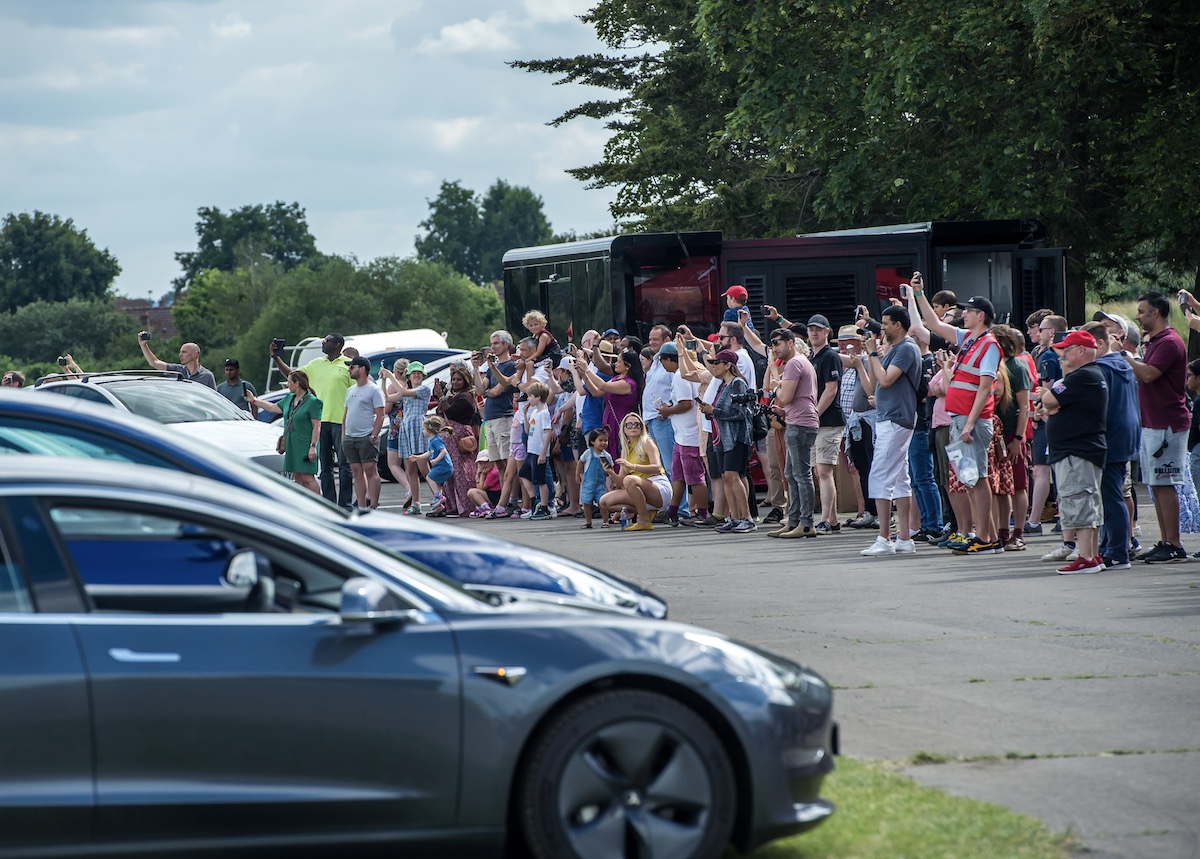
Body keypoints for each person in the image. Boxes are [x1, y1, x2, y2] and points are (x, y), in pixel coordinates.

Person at [913, 274, 1003, 554]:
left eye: (970, 311)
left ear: (982, 316)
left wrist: (970, 423)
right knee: (969, 477)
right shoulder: (969, 339)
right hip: (959, 418)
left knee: (977, 477)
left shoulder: (988, 344)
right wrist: (919, 294)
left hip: (970, 421)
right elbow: (935, 324)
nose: (964, 314)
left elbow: (986, 387)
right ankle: (981, 535)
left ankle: (986, 538)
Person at [1035, 331, 1108, 574]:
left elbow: (1049, 398)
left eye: (1068, 348)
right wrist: (1051, 407)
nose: (1063, 354)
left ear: (1082, 350)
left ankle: (1086, 556)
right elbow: (1051, 404)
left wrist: (1050, 405)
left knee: (1079, 500)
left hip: (1077, 451)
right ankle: (1093, 555)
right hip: (1081, 449)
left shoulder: (1083, 375)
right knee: (1087, 502)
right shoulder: (1089, 375)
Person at [1124, 291, 1190, 562]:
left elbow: (1149, 375)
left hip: (1167, 424)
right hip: (1154, 423)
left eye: (1141, 311)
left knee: (1166, 483)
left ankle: (1174, 543)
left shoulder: (1169, 342)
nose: (1137, 316)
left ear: (1156, 313)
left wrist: (1127, 357)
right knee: (1157, 485)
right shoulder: (1157, 342)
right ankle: (1165, 541)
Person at [858, 306, 922, 556]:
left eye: (885, 323)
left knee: (880, 475)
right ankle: (904, 537)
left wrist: (873, 351)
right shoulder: (895, 349)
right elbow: (875, 383)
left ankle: (884, 538)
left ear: (898, 324)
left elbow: (885, 380)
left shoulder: (906, 348)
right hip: (891, 417)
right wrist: (872, 355)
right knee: (899, 479)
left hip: (896, 419)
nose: (881, 327)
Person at [272, 333, 354, 508]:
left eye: (327, 341)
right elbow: (293, 375)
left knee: (345, 466)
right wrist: (276, 358)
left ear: (338, 344)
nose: (323, 344)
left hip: (340, 421)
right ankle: (330, 504)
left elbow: (356, 394)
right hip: (319, 421)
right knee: (325, 468)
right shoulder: (316, 364)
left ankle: (345, 504)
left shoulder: (347, 365)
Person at [1088, 321, 1140, 570]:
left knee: (1111, 495)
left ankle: (1118, 551)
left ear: (1098, 343)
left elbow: (1097, 406)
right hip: (1126, 433)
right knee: (1113, 492)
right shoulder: (1122, 363)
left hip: (1111, 435)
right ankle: (1112, 545)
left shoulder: (1101, 368)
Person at [767, 328, 819, 538]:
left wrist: (775, 386)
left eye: (777, 343)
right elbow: (795, 398)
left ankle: (806, 523)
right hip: (798, 420)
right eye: (772, 344)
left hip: (801, 424)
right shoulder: (800, 362)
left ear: (790, 343)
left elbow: (785, 396)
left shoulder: (795, 363)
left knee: (801, 474)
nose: (774, 348)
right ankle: (794, 520)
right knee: (791, 473)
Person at [698, 349, 755, 532]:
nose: (714, 366)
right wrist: (709, 411)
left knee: (732, 475)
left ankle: (747, 518)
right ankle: (735, 518)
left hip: (736, 438)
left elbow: (741, 414)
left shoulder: (738, 384)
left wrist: (713, 411)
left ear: (728, 365)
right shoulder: (723, 386)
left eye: (717, 363)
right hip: (721, 438)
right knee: (726, 477)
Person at [656, 342, 707, 527]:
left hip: (689, 435)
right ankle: (672, 511)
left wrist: (667, 411)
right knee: (678, 476)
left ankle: (702, 513)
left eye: (662, 361)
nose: (662, 365)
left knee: (694, 477)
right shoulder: (681, 374)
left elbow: (686, 403)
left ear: (669, 359)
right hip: (682, 435)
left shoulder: (680, 376)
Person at [248, 370, 321, 493]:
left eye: (289, 381)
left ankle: (318, 505)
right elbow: (273, 407)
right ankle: (302, 505)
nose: (287, 384)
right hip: (292, 443)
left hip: (305, 443)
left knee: (307, 477)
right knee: (297, 477)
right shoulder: (289, 398)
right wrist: (254, 400)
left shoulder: (313, 402)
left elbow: (317, 426)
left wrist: (313, 446)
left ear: (297, 383)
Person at [597, 411, 670, 531]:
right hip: (639, 489)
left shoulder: (647, 442)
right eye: (629, 425)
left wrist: (632, 466)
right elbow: (621, 483)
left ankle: (644, 520)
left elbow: (657, 468)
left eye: (637, 424)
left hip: (658, 487)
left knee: (630, 479)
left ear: (642, 427)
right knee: (604, 502)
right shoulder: (626, 450)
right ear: (624, 429)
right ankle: (647, 511)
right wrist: (610, 472)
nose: (633, 427)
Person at [379, 360, 432, 516]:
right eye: (413, 373)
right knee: (410, 468)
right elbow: (388, 398)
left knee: (423, 467)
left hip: (417, 428)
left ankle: (439, 496)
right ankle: (416, 502)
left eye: (419, 373)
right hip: (406, 430)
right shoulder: (406, 390)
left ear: (423, 376)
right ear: (408, 376)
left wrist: (389, 374)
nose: (416, 375)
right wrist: (383, 379)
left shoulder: (423, 389)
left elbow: (402, 394)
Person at [808, 314, 845, 533]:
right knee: (818, 471)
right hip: (818, 422)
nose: (814, 333)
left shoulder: (830, 356)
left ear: (827, 332)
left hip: (829, 421)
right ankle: (831, 520)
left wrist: (814, 414)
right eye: (812, 329)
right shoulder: (813, 357)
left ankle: (825, 519)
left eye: (819, 330)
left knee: (824, 471)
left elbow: (831, 390)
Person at [435, 363, 481, 517]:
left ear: (466, 381)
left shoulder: (466, 397)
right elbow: (439, 410)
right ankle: (451, 505)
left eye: (459, 380)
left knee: (461, 472)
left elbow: (451, 412)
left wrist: (441, 397)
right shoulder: (452, 396)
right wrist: (443, 398)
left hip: (460, 436)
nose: (455, 382)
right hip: (448, 438)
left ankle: (466, 505)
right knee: (449, 471)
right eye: (453, 379)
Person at [341, 356, 386, 513]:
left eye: (352, 367)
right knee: (356, 471)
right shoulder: (350, 390)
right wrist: (343, 435)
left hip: (366, 436)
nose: (349, 370)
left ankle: (373, 505)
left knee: (370, 470)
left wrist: (374, 435)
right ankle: (361, 507)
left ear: (362, 369)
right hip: (350, 437)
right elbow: (346, 414)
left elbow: (380, 415)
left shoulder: (374, 389)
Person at [576, 347, 642, 445]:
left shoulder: (629, 383)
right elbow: (596, 392)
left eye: (619, 362)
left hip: (620, 422)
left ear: (627, 366)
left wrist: (587, 370)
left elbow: (603, 386)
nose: (615, 364)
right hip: (609, 422)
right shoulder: (617, 378)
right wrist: (584, 376)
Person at [522, 381, 556, 520]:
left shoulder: (544, 413)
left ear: (538, 397)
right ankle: (535, 500)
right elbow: (528, 430)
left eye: (530, 396)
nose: (528, 399)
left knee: (540, 480)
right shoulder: (535, 412)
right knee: (523, 473)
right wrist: (525, 415)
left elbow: (547, 432)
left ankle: (544, 506)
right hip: (531, 450)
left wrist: (543, 453)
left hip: (538, 451)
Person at [411, 416, 454, 516]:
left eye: (424, 429)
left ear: (429, 430)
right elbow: (429, 453)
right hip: (442, 466)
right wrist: (418, 457)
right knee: (437, 483)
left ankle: (438, 497)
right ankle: (438, 504)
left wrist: (435, 460)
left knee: (429, 477)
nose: (423, 431)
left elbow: (443, 451)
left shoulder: (436, 440)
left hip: (443, 466)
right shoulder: (432, 441)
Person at [138, 334, 216, 388]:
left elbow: (214, 400)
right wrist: (143, 345)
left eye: (184, 352)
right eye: (180, 352)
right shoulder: (177, 371)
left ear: (194, 354)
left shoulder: (207, 376)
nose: (180, 355)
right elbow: (154, 363)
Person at [577, 428, 614, 528]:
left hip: (600, 484)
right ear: (593, 441)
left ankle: (605, 521)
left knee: (602, 503)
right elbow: (580, 462)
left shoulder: (607, 456)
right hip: (588, 483)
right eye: (600, 440)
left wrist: (613, 481)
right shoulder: (588, 453)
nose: (603, 443)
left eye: (605, 440)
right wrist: (577, 475)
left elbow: (611, 469)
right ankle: (588, 521)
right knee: (586, 503)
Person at [467, 452, 504, 517]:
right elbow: (478, 488)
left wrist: (482, 475)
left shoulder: (493, 472)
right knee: (471, 492)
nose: (483, 465)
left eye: (486, 462)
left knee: (472, 492)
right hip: (489, 494)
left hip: (495, 496)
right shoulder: (487, 472)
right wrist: (478, 476)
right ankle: (480, 509)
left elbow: (481, 488)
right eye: (481, 463)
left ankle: (487, 509)